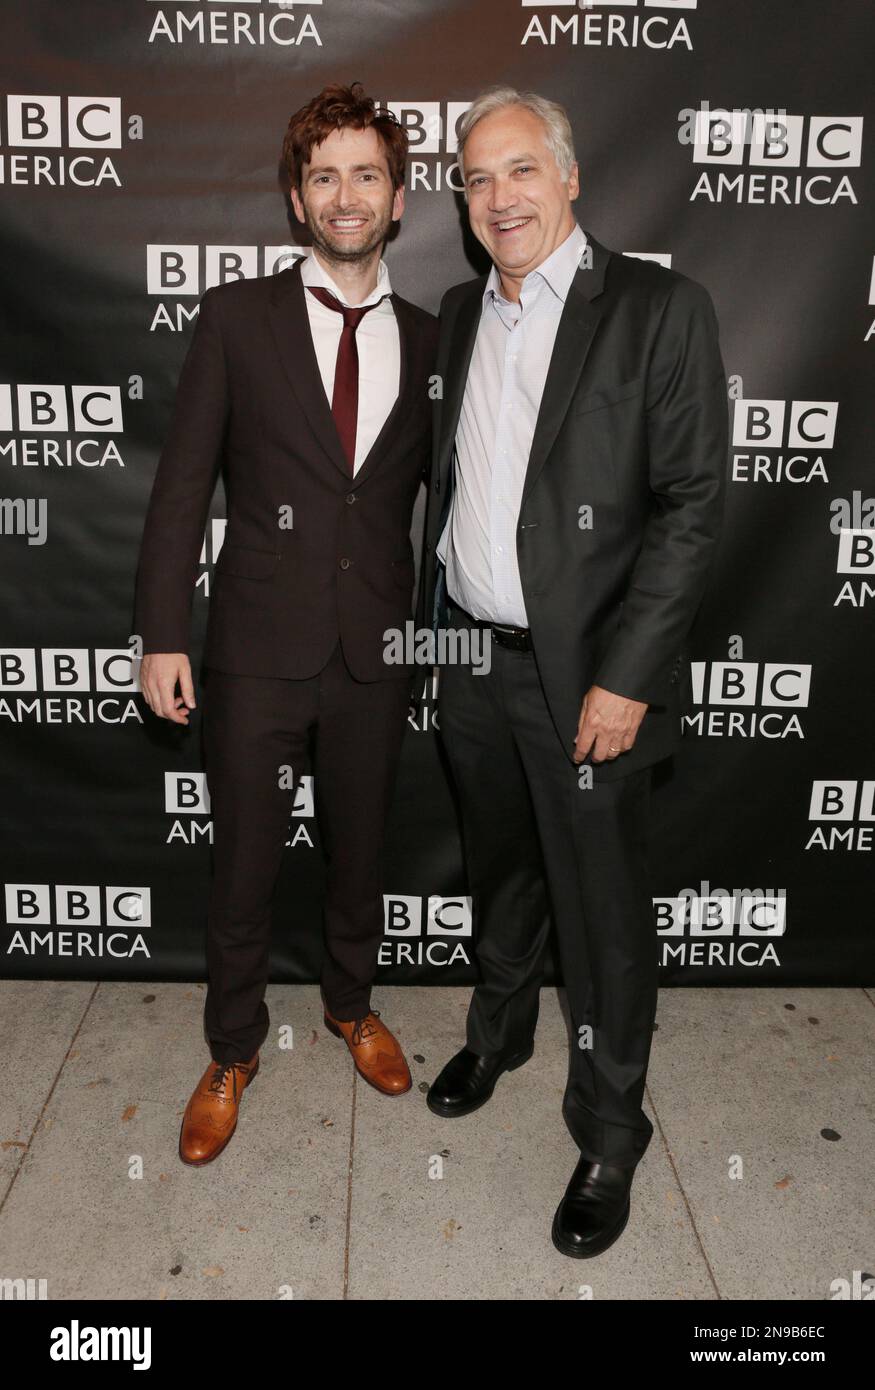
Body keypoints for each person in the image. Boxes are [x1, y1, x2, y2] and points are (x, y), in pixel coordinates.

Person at [418, 86, 728, 1257]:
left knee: (600, 917)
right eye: (476, 179)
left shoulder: (656, 309)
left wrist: (626, 675)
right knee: (499, 874)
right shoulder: (455, 314)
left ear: (568, 175)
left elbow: (692, 506)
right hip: (467, 659)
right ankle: (497, 1033)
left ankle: (609, 1131)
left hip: (591, 682)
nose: (498, 197)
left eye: (518, 171)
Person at [133, 82, 438, 1166]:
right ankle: (230, 1049)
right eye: (324, 177)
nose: (345, 196)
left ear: (398, 197)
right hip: (254, 651)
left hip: (376, 651)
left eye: (366, 174)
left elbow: (448, 504)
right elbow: (180, 488)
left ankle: (350, 1005)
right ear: (296, 199)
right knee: (245, 866)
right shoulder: (234, 318)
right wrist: (162, 632)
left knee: (360, 856)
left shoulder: (434, 338)